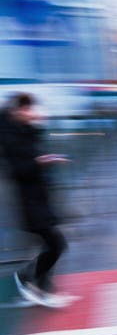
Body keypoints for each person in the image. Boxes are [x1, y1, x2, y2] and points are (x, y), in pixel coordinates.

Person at [0, 93, 71, 307]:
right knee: (56, 244)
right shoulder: (8, 135)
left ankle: (33, 284)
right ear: (16, 111)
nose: (32, 113)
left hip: (39, 198)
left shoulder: (22, 131)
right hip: (29, 201)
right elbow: (18, 170)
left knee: (52, 244)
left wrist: (36, 126)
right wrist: (40, 162)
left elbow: (33, 149)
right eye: (28, 109)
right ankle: (30, 282)